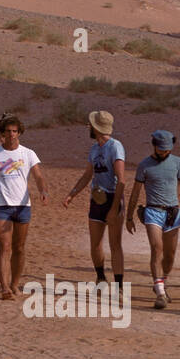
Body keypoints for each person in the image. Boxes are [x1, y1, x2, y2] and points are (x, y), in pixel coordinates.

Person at [125, 129, 180, 309]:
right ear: (154, 146)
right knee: (157, 248)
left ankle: (161, 282)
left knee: (170, 255)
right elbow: (135, 192)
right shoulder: (144, 165)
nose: (165, 152)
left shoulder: (178, 162)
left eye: (167, 150)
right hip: (153, 212)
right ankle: (160, 292)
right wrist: (129, 216)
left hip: (173, 212)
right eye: (162, 149)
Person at [0, 114, 49, 300]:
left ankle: (14, 284)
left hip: (22, 206)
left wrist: (43, 190)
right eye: (8, 131)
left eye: (14, 131)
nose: (11, 134)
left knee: (19, 247)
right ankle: (4, 288)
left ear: (19, 132)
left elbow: (38, 175)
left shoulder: (28, 153)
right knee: (4, 246)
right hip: (1, 206)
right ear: (2, 133)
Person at [62, 110, 125, 291]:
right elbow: (88, 175)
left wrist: (114, 209)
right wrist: (71, 194)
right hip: (97, 198)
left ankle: (119, 285)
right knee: (95, 243)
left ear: (97, 128)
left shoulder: (115, 147)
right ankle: (101, 277)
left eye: (90, 125)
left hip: (113, 198)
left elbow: (121, 180)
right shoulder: (94, 149)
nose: (88, 127)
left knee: (115, 244)